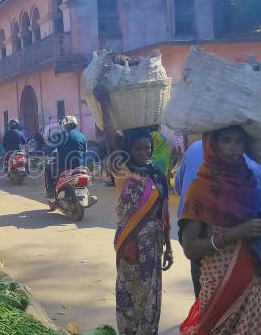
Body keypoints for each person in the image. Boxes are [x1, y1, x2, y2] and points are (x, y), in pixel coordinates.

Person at [178, 126, 261, 335]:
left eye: (239, 141)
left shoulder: (250, 183)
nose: (233, 148)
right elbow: (190, 249)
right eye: (226, 141)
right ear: (213, 145)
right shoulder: (199, 189)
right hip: (220, 284)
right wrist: (236, 233)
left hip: (254, 279)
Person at [94, 86, 173, 335]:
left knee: (150, 298)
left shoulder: (157, 174)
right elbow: (109, 138)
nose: (144, 152)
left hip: (153, 246)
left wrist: (168, 247)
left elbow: (164, 213)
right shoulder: (123, 171)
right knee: (129, 296)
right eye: (138, 149)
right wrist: (105, 106)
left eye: (147, 148)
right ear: (129, 150)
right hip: (130, 243)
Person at [44, 116, 88, 204]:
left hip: (63, 167)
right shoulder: (82, 136)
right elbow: (84, 152)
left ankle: (51, 195)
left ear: (64, 125)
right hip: (79, 167)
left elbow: (49, 149)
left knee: (48, 169)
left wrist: (48, 152)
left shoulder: (60, 135)